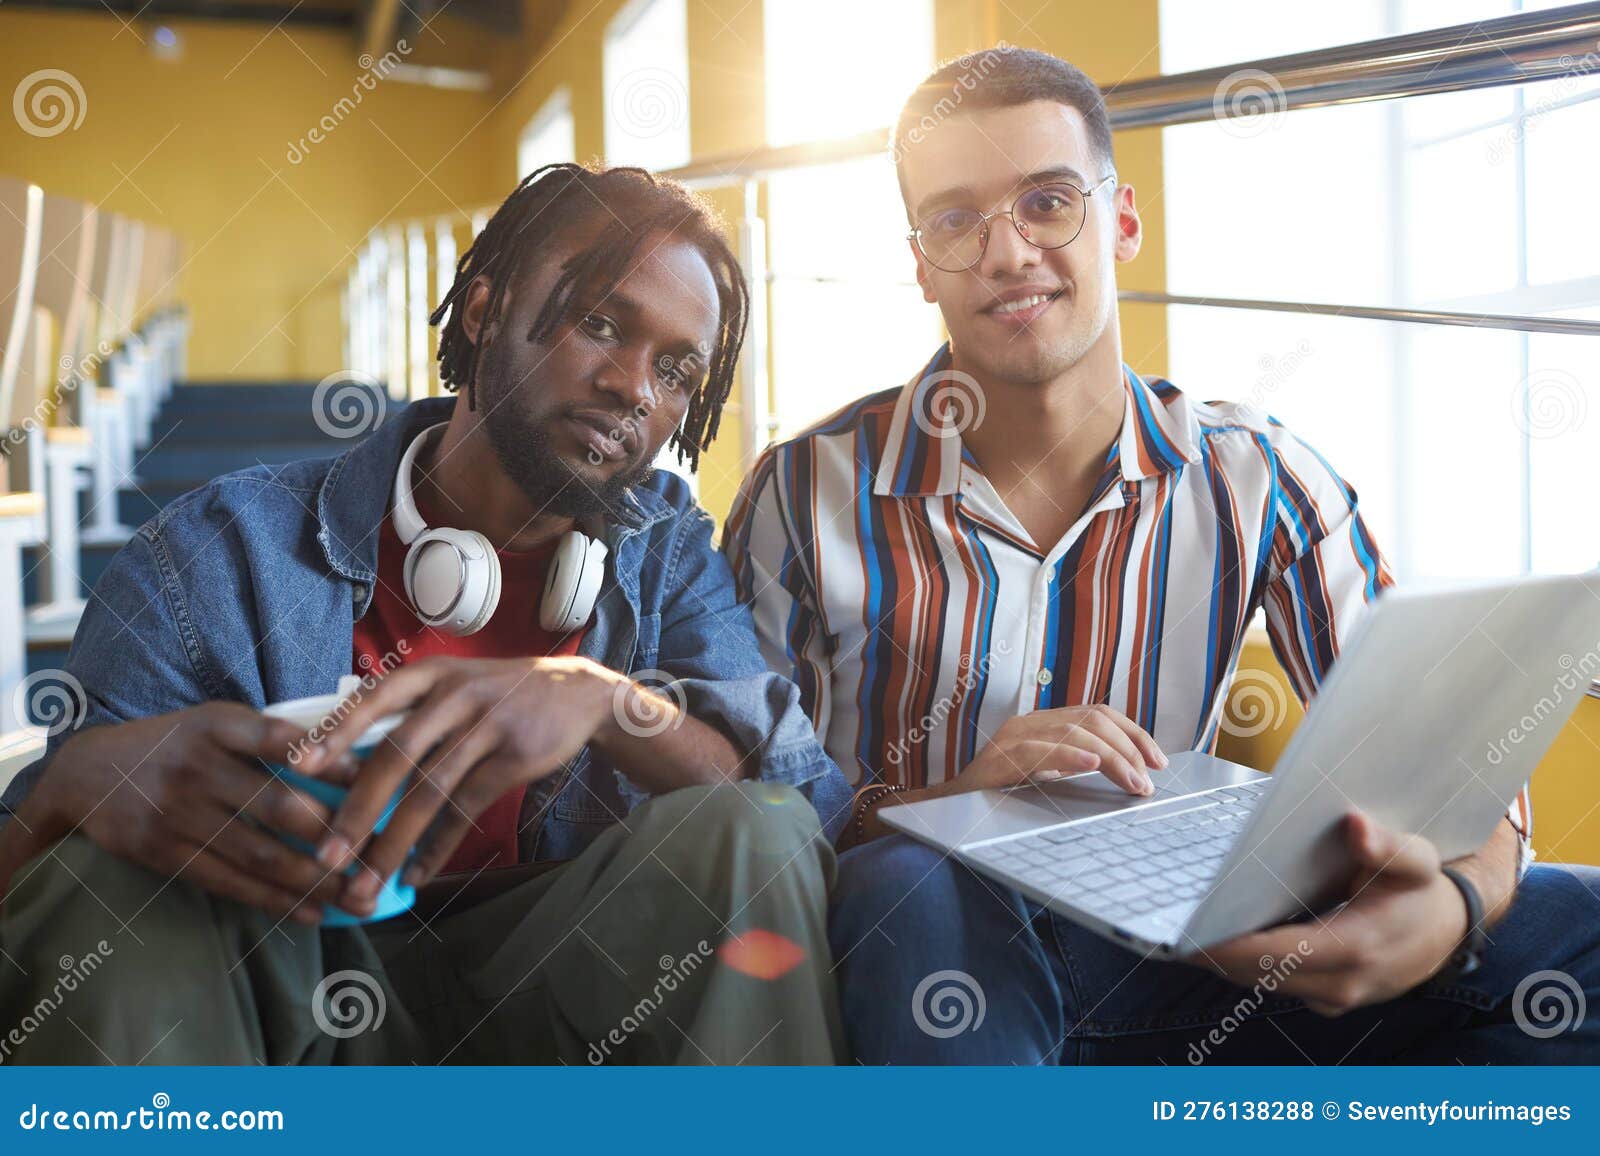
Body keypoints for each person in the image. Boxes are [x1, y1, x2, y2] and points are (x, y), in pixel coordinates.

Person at [722, 48, 1600, 1063]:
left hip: (1181, 959)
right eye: (957, 221)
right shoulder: (802, 491)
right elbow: (744, 822)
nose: (1006, 251)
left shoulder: (1259, 474)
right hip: (933, 950)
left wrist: (1449, 908)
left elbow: (1463, 769)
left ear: (1121, 222)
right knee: (909, 887)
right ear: (920, 261)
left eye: (1047, 202)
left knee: (1574, 923)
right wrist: (951, 804)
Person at [0, 163, 852, 1066]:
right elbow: (39, 899)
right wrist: (64, 790)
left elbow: (801, 814)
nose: (636, 388)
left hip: (553, 992)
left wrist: (603, 702)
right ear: (482, 310)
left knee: (752, 829)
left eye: (678, 371)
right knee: (105, 877)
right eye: (600, 322)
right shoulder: (219, 550)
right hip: (279, 982)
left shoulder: (664, 551)